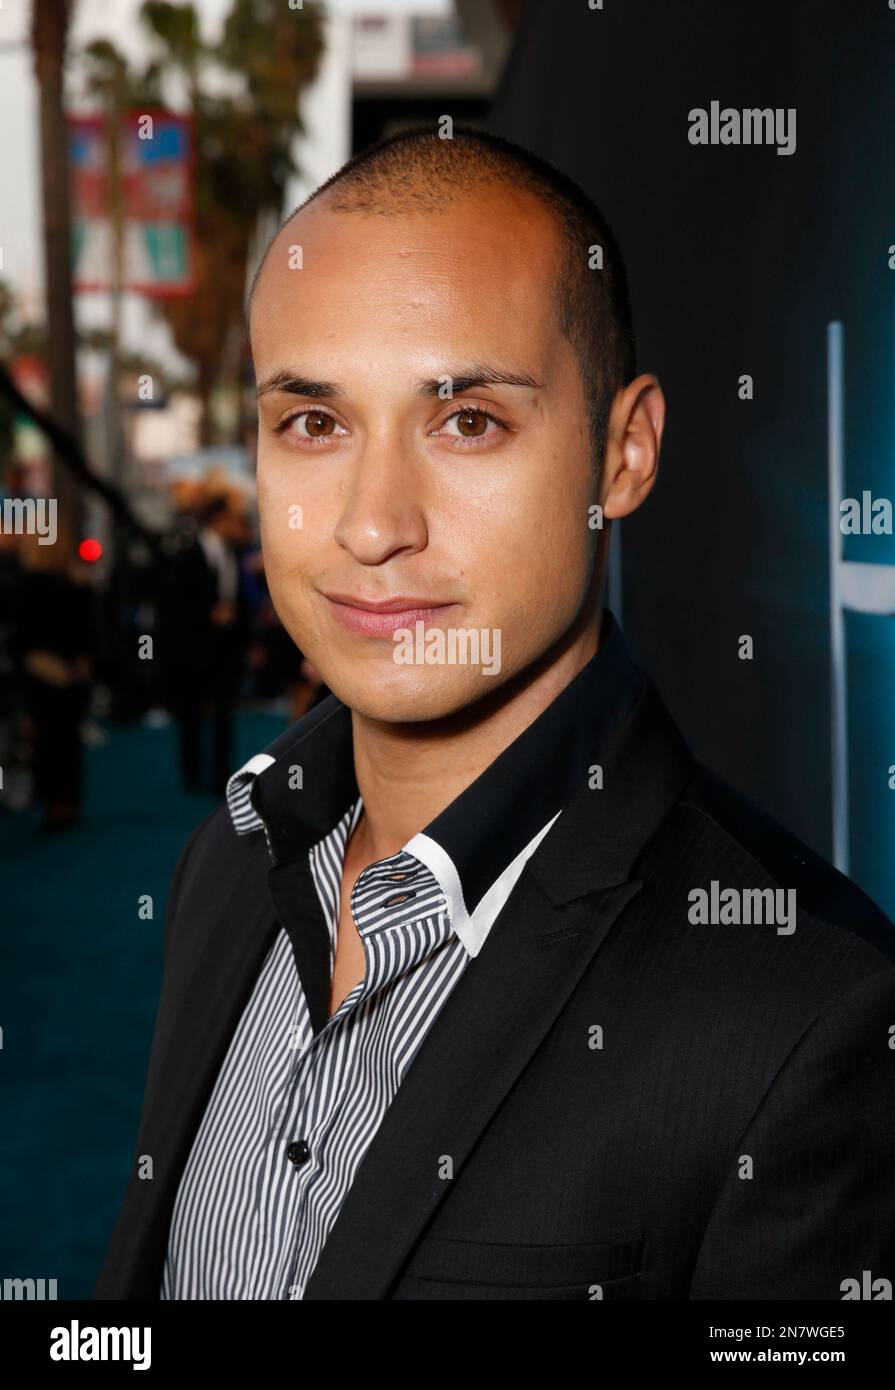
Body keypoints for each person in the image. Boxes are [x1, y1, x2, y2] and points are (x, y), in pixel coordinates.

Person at [94, 126, 895, 1301]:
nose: (372, 526)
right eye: (313, 423)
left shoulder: (806, 1013)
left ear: (622, 453)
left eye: (466, 420)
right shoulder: (228, 862)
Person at [160, 490, 250, 796]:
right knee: (190, 714)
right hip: (192, 648)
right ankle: (191, 773)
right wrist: (207, 614)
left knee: (225, 713)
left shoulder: (233, 553)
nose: (237, 524)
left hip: (224, 650)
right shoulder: (187, 553)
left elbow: (237, 599)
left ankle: (222, 777)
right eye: (231, 519)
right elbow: (173, 604)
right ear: (218, 519)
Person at [13, 516, 95, 831]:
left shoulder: (31, 585)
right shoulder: (74, 584)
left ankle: (56, 802)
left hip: (48, 675)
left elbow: (22, 639)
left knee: (53, 741)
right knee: (64, 741)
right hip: (62, 675)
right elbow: (88, 635)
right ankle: (64, 801)